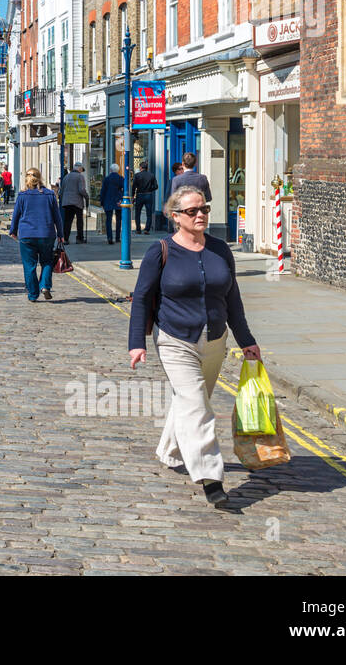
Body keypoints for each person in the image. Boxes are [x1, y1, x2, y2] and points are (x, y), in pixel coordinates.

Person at [127, 186, 261, 509]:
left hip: (215, 341)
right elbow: (142, 298)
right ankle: (210, 476)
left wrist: (246, 340)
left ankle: (170, 450)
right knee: (196, 405)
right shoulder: (159, 252)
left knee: (193, 401)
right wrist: (136, 343)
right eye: (192, 211)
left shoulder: (220, 250)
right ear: (176, 217)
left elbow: (232, 298)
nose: (200, 215)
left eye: (204, 209)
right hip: (175, 340)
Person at [8, 167, 62, 302]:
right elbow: (57, 217)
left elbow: (16, 216)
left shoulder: (22, 196)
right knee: (47, 261)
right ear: (40, 178)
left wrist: (13, 231)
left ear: (26, 179)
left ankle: (33, 294)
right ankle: (44, 285)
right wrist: (61, 233)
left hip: (27, 235)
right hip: (47, 234)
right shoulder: (50, 195)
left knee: (29, 265)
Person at [59, 163, 89, 243]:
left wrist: (62, 201)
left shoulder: (66, 177)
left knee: (67, 221)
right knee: (79, 221)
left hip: (67, 202)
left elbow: (61, 191)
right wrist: (86, 197)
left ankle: (65, 238)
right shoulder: (80, 177)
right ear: (79, 169)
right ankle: (79, 238)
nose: (81, 171)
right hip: (77, 202)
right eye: (82, 170)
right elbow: (81, 190)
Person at [99, 166, 126, 245]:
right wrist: (122, 199)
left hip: (108, 200)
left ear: (110, 170)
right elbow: (125, 190)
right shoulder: (121, 178)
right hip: (118, 201)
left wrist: (102, 202)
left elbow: (103, 191)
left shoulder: (107, 179)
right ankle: (117, 237)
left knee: (108, 220)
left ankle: (109, 237)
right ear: (118, 170)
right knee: (118, 220)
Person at [132, 160, 158, 235]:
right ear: (147, 168)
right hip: (148, 195)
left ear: (140, 167)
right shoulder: (151, 175)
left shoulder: (137, 175)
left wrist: (132, 196)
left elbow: (133, 187)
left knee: (137, 213)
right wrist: (150, 189)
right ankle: (147, 229)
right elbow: (156, 186)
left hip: (139, 195)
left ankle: (138, 229)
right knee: (149, 213)